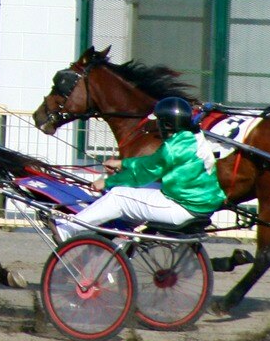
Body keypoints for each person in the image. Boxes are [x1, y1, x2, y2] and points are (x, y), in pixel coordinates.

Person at [54, 96, 226, 240]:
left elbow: (145, 173)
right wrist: (122, 163)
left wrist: (107, 182)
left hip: (182, 208)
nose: (156, 125)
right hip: (198, 203)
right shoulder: (193, 136)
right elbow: (152, 162)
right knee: (138, 189)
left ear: (167, 125)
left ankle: (67, 229)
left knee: (117, 196)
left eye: (158, 122)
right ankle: (123, 231)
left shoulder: (172, 148)